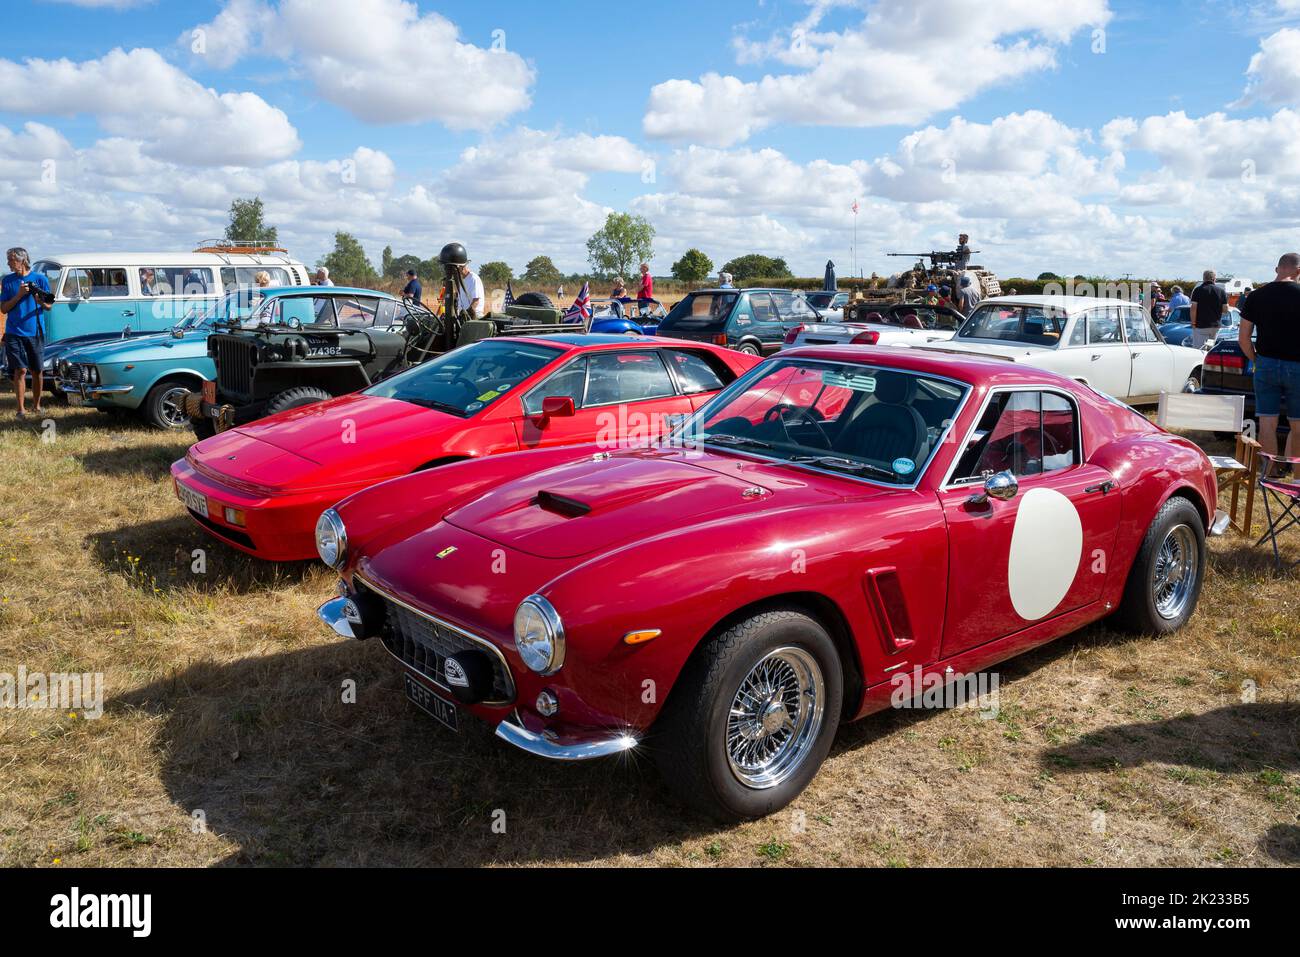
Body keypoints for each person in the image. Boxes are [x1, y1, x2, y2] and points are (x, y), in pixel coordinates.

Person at [1239, 253, 1300, 468]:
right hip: (1297, 366)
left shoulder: (1256, 296)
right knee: (1298, 425)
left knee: (1267, 423)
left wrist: (1256, 359)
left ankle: (1271, 474)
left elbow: (1244, 337)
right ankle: (1297, 478)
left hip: (1266, 363)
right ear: (1298, 272)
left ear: (1277, 269)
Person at [1, 247, 53, 419]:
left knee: (37, 370)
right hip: (14, 332)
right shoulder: (7, 281)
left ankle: (37, 406)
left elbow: (49, 306)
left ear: (21, 260)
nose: (8, 263)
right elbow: (3, 309)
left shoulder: (40, 279)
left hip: (35, 331)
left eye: (10, 260)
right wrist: (19, 295)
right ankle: (20, 409)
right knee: (20, 370)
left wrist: (40, 301)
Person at [1189, 269, 1227, 348]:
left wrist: (1193, 323)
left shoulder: (1198, 290)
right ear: (1214, 279)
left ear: (1204, 278)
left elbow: (1193, 308)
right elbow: (1225, 310)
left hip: (1201, 326)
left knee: (1199, 349)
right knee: (1209, 348)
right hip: (1215, 327)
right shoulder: (1221, 291)